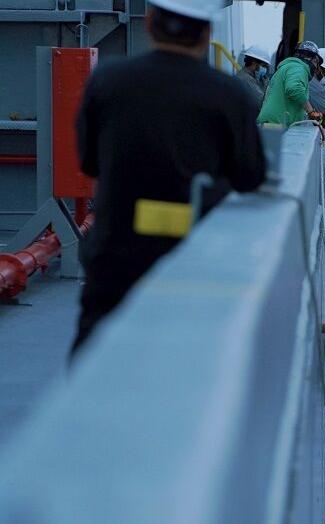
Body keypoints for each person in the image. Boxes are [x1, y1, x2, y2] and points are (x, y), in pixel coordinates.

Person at [70, 0, 267, 359]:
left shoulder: (107, 80)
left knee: (95, 358)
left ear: (149, 22)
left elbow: (89, 163)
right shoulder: (230, 94)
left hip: (115, 259)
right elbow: (250, 177)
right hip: (191, 266)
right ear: (207, 33)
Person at [257, 40, 320, 127]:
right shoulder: (298, 68)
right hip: (275, 125)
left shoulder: (289, 67)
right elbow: (294, 89)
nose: (316, 67)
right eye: (316, 61)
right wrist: (311, 112)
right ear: (311, 59)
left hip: (272, 123)